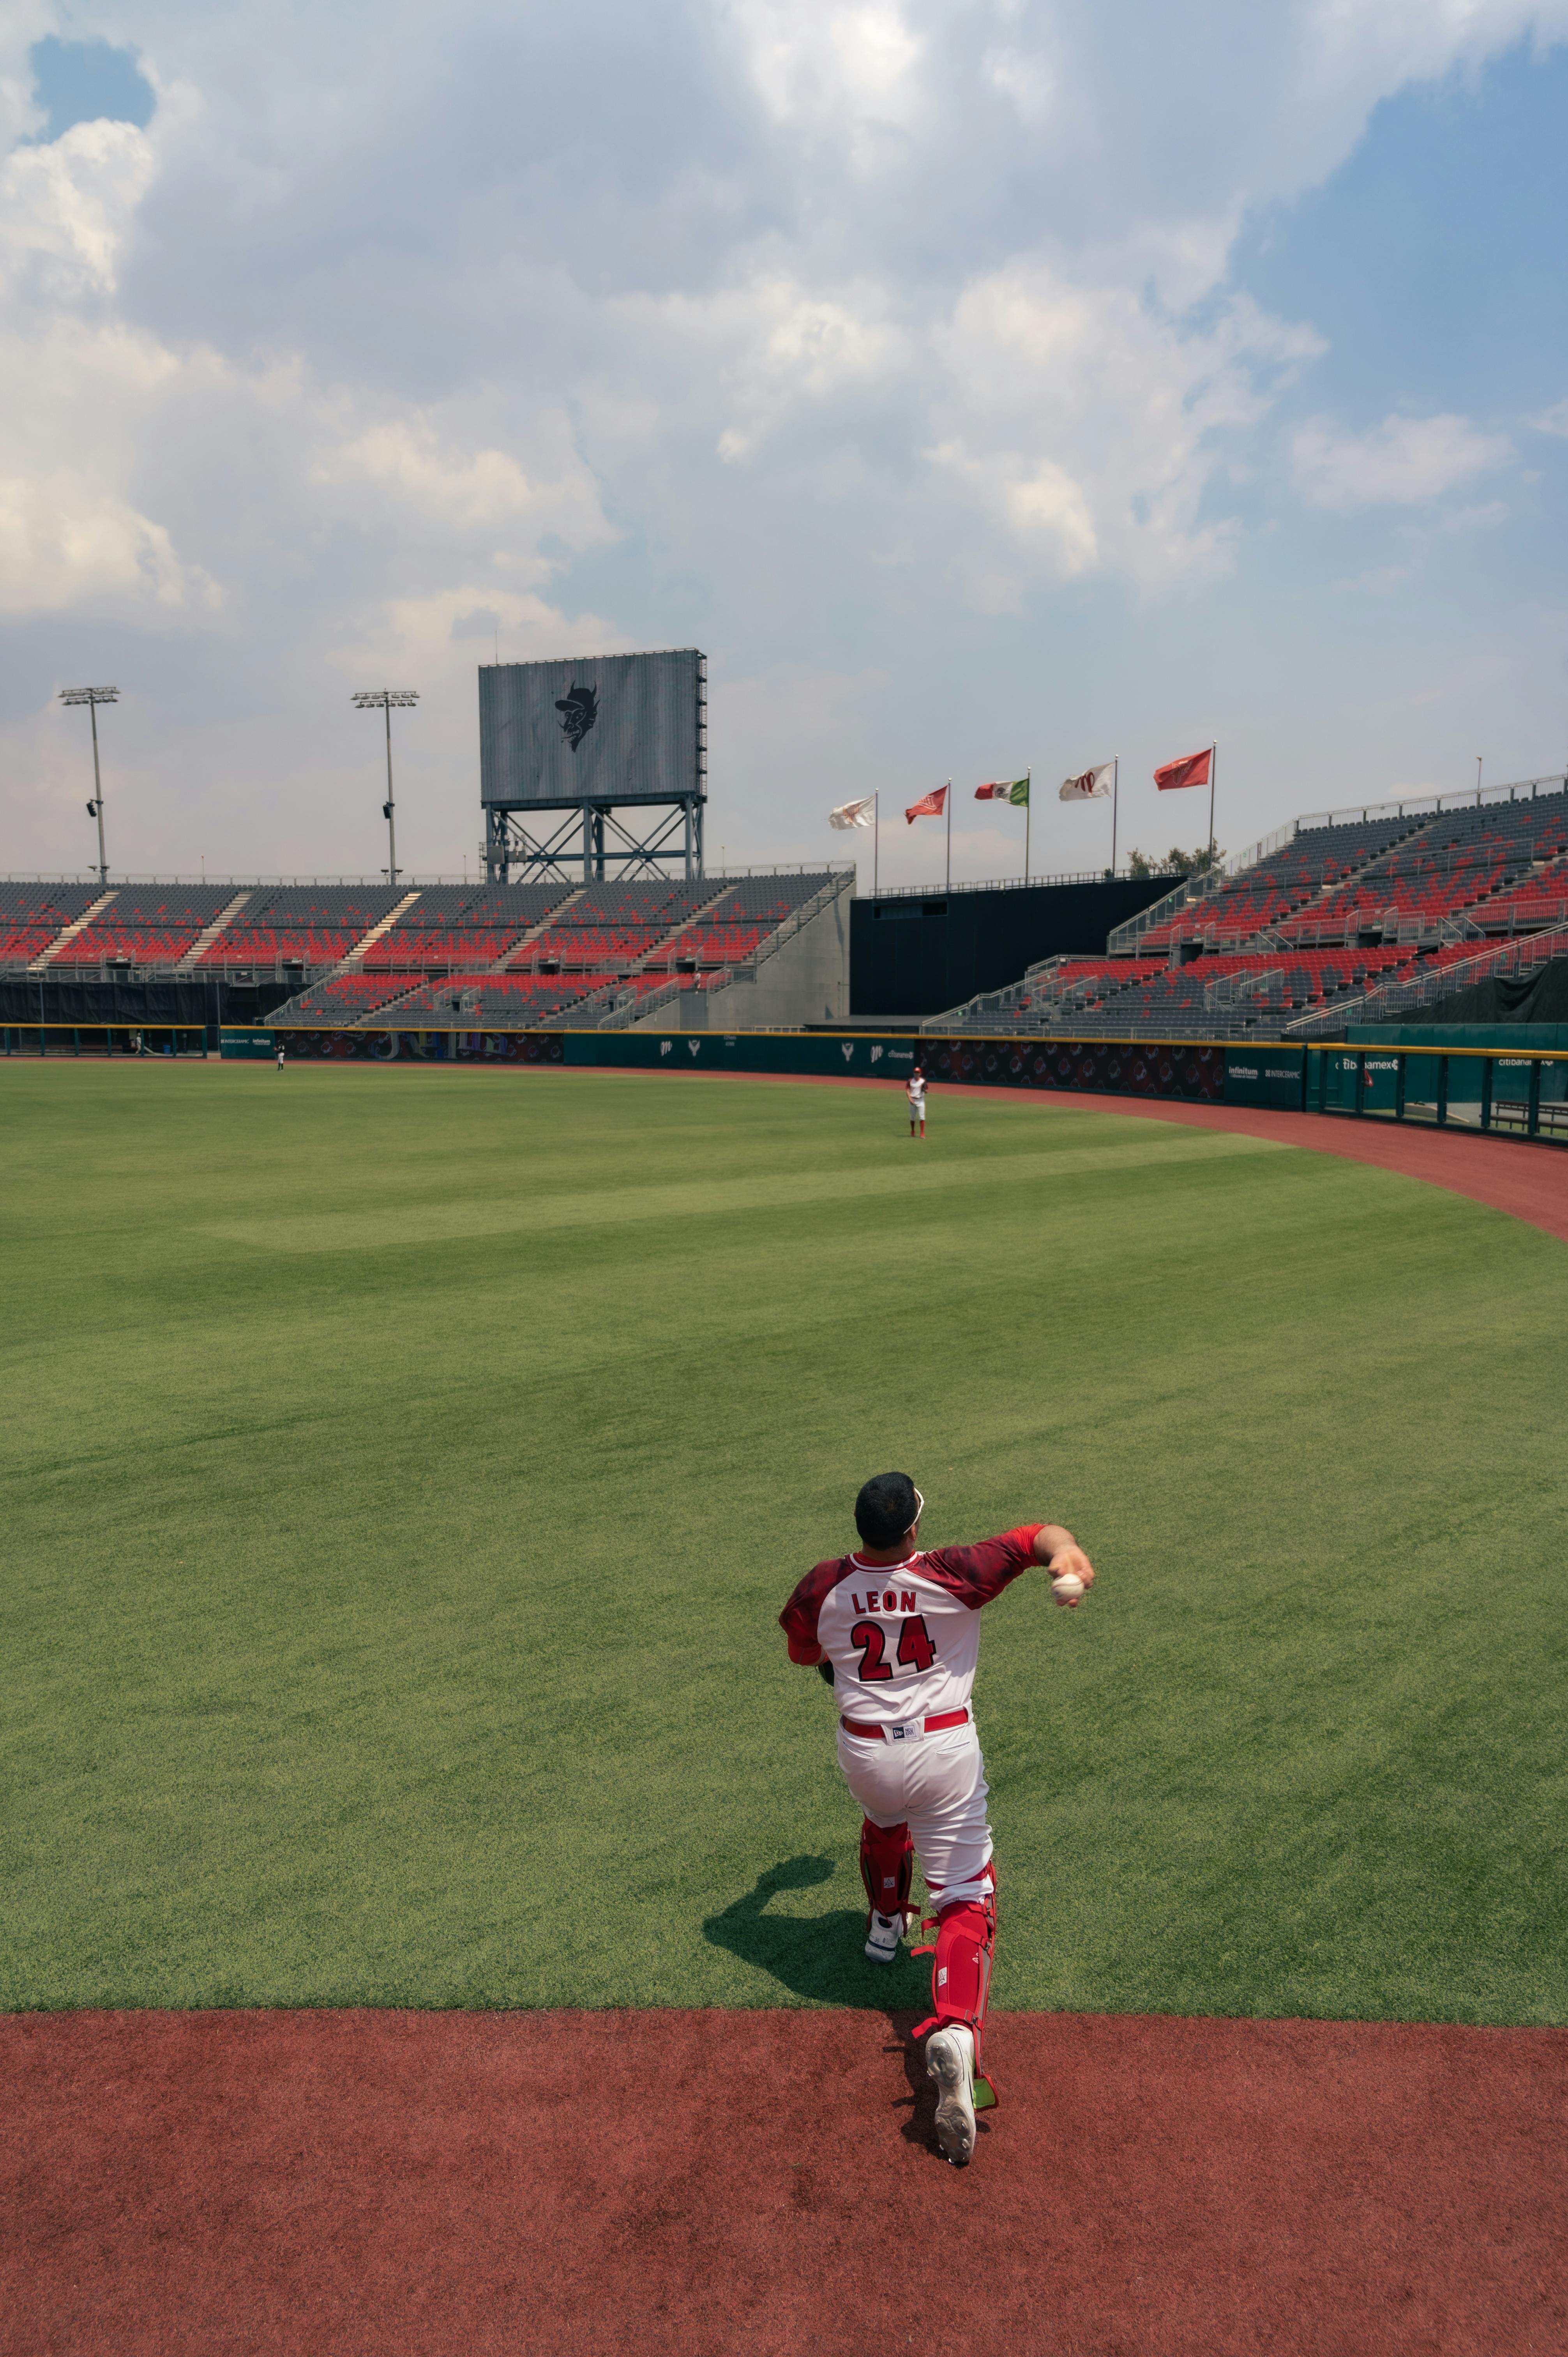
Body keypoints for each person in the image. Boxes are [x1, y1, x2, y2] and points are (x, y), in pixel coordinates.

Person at [778, 1472, 1095, 2166]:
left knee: (885, 1818)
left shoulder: (822, 1584)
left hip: (866, 1751)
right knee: (966, 1897)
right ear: (913, 1528)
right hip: (942, 1751)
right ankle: (955, 2029)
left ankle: (883, 1927)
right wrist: (1065, 1552)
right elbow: (1032, 1539)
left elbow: (805, 1654)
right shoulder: (950, 1570)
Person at [907, 1067, 927, 1138]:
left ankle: (922, 1133)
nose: (917, 1074)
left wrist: (924, 1089)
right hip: (913, 1100)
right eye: (916, 1072)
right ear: (914, 1073)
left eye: (918, 1073)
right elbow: (908, 1091)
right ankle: (913, 1131)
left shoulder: (923, 1081)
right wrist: (910, 1100)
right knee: (913, 1117)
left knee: (922, 1117)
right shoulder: (910, 1081)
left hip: (921, 1100)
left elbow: (926, 1091)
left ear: (920, 1074)